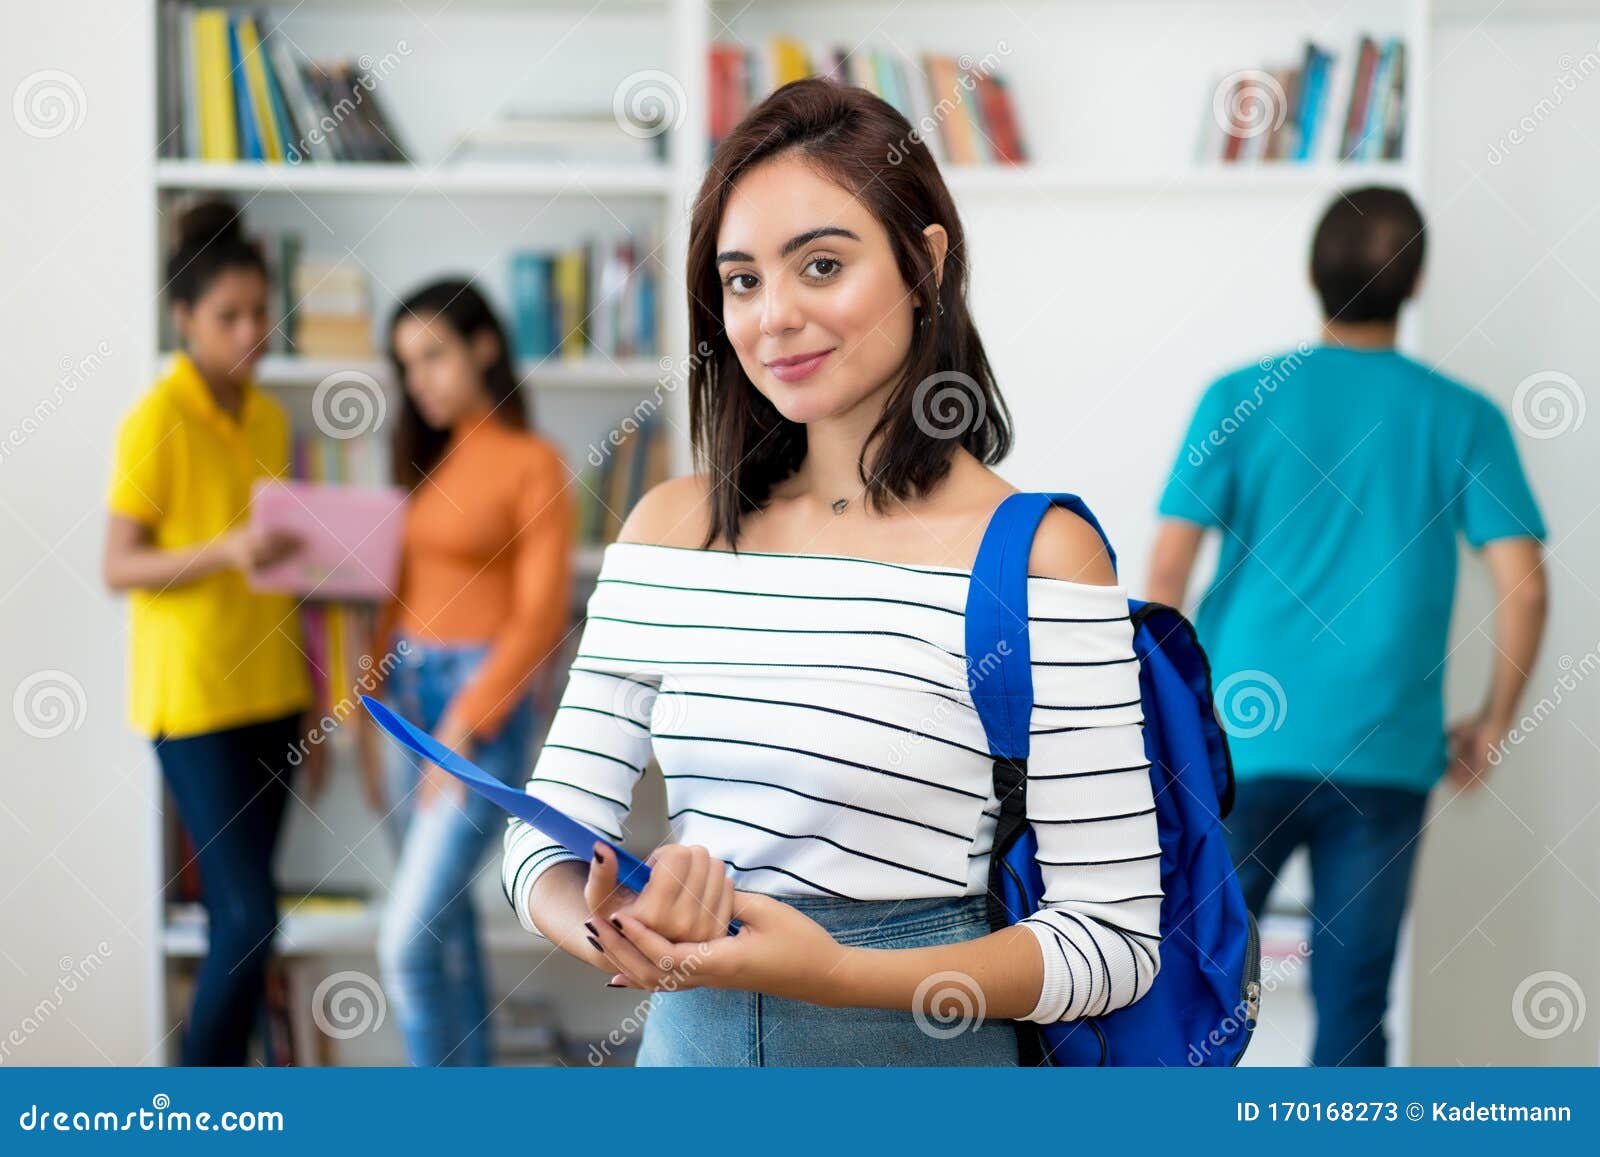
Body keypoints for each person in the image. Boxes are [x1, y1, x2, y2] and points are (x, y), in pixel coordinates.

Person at [500, 78, 1164, 1067]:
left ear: (923, 263)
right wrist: (612, 927)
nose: (775, 316)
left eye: (820, 264)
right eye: (741, 280)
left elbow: (1111, 942)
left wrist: (831, 972)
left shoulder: (1039, 556)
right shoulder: (669, 530)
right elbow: (539, 841)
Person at [1146, 186, 1549, 1066]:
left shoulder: (1240, 396)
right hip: (1384, 752)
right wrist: (1491, 722)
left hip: (1237, 746)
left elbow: (1167, 572)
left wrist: (1170, 721)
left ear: (1312, 274)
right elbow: (1522, 588)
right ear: (1417, 281)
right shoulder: (1461, 413)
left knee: (1189, 986)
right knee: (1355, 1006)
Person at [103, 199, 319, 1066]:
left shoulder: (269, 419)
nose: (251, 330)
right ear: (184, 316)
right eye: (229, 315)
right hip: (192, 700)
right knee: (245, 916)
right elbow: (118, 564)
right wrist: (224, 549)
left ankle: (223, 1099)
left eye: (261, 311)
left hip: (273, 695)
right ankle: (193, 1105)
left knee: (252, 920)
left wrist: (312, 695)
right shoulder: (157, 419)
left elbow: (281, 572)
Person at [358, 279, 575, 1066]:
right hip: (402, 703)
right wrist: (366, 701)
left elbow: (541, 618)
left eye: (435, 355)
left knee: (406, 943)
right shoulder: (427, 462)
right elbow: (398, 590)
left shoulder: (532, 462)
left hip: (473, 714)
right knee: (444, 931)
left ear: (484, 345)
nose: (421, 380)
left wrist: (463, 721)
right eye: (408, 364)